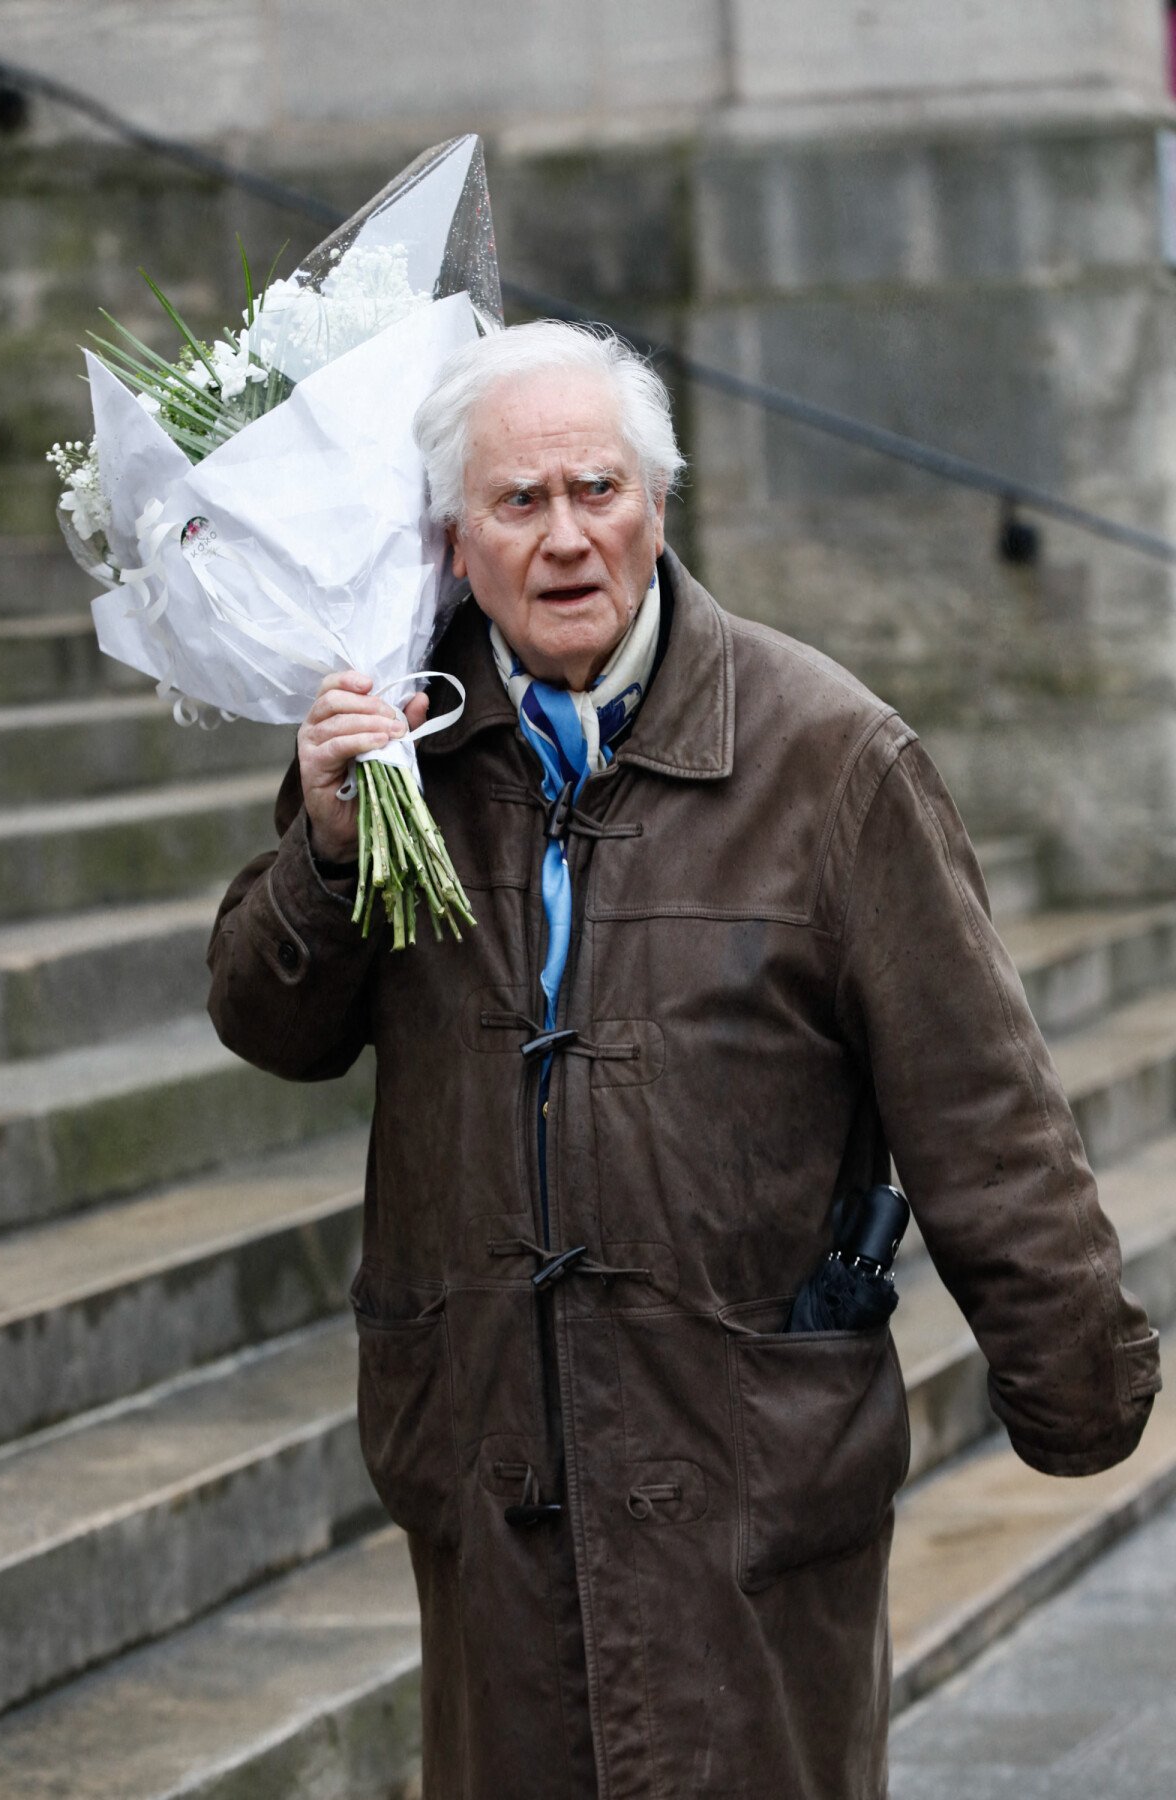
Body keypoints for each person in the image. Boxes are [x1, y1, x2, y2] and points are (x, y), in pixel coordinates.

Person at [207, 322, 1160, 1800]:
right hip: (490, 1464)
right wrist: (323, 854)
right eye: (520, 505)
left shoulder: (833, 758)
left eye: (600, 490)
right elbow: (270, 1025)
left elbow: (981, 1105)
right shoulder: (401, 757)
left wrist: (1075, 1380)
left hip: (744, 1485)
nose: (568, 537)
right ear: (456, 546)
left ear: (660, 507)